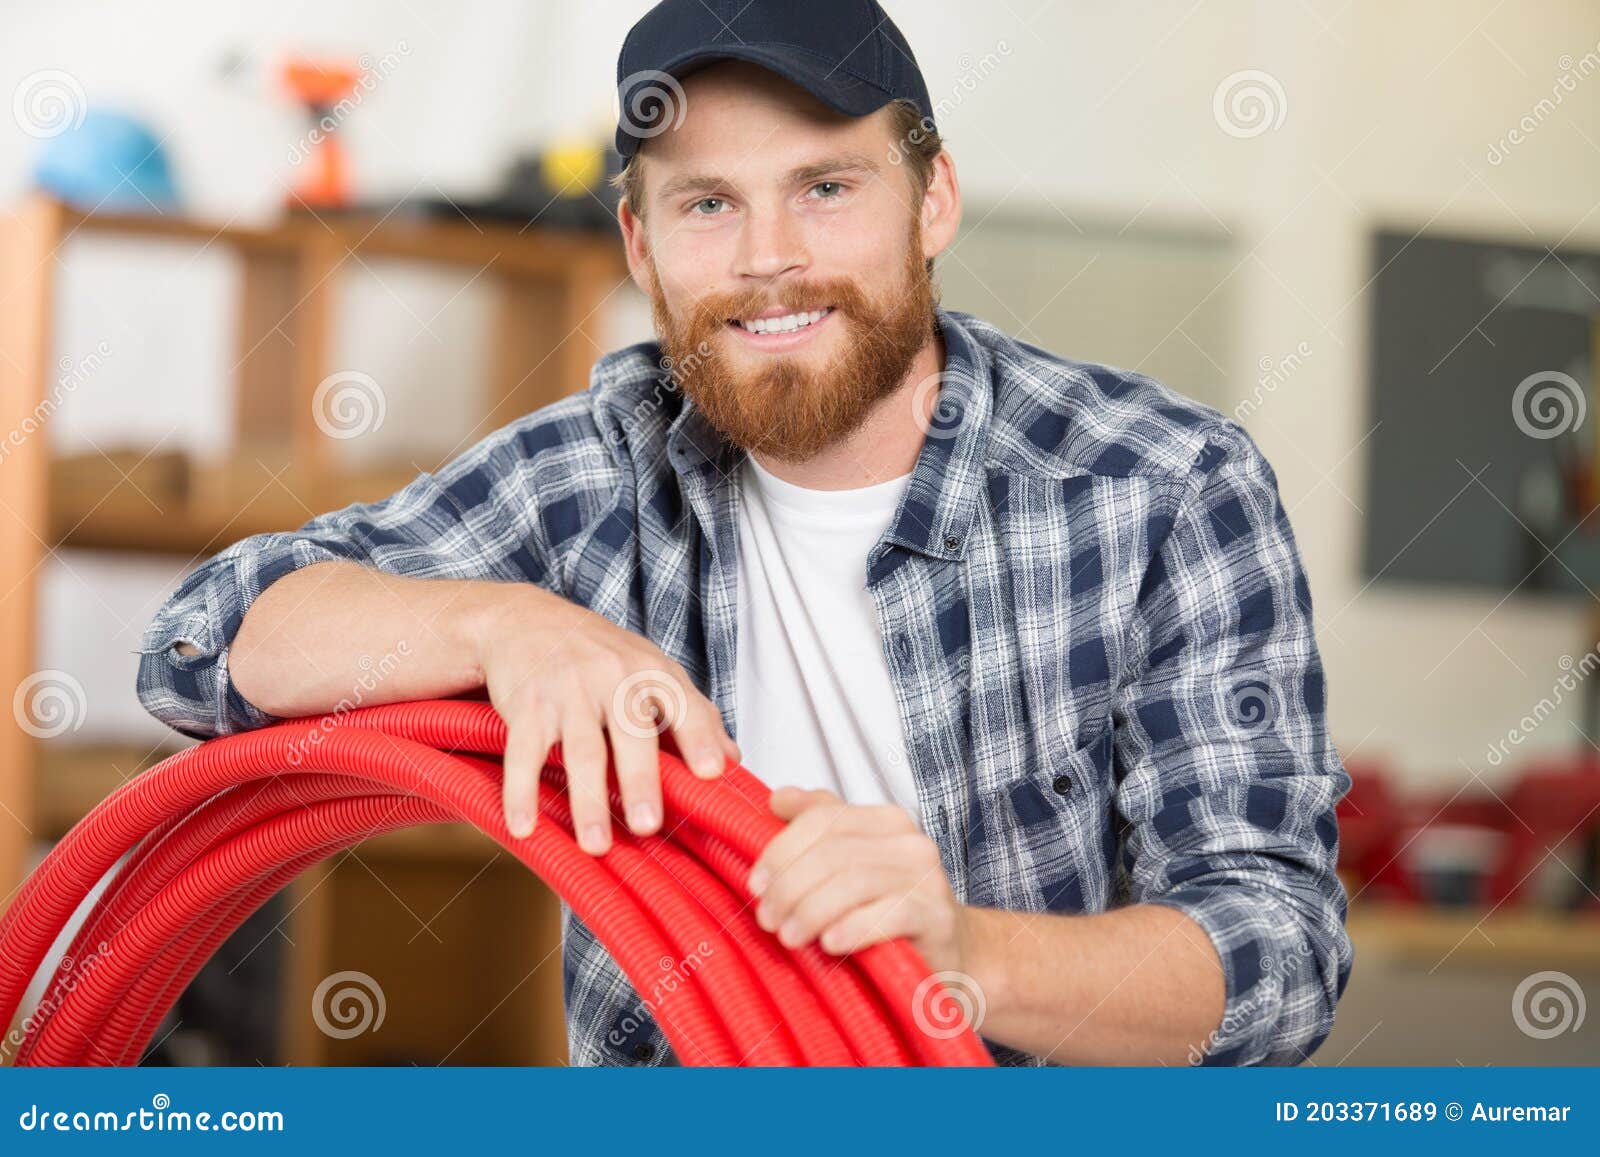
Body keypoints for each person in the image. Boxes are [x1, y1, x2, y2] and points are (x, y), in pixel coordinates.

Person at [137, 0, 1352, 1067]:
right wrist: (500, 622)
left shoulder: (1164, 487)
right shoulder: (596, 473)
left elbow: (1278, 955)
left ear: (932, 199)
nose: (769, 260)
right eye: (707, 203)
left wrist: (963, 952)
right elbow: (205, 644)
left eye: (826, 187)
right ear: (640, 245)